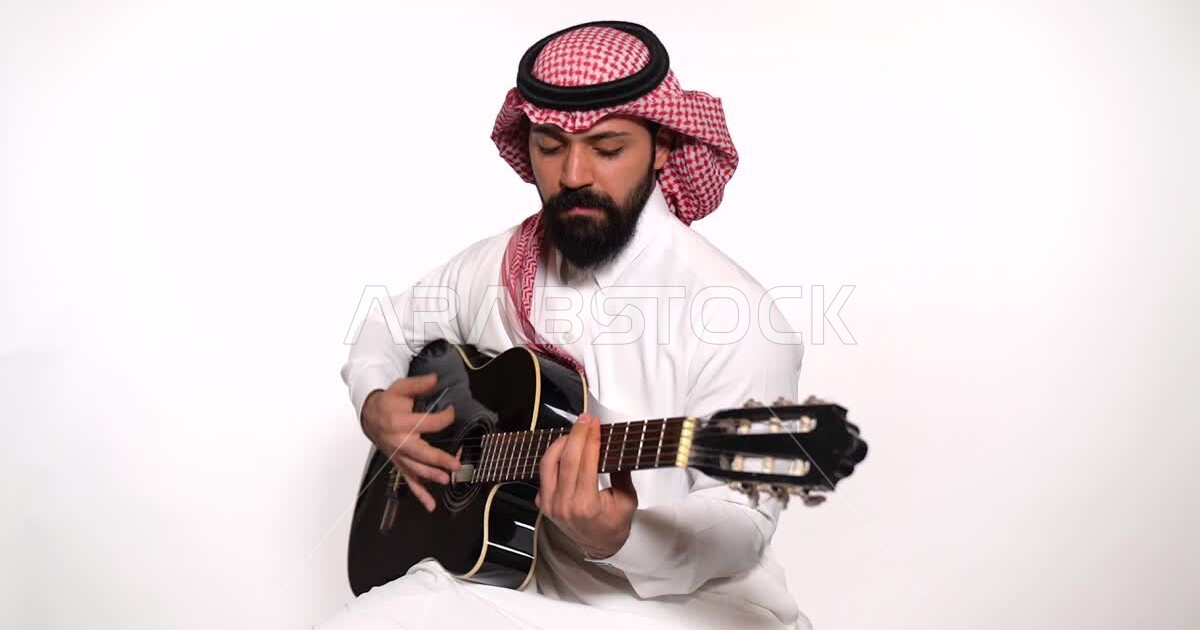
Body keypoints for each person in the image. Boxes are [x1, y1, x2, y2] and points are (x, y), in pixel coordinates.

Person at [322, 20, 810, 630]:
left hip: (693, 611)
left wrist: (620, 535)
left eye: (607, 149)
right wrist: (373, 399)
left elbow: (742, 522)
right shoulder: (504, 264)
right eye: (550, 147)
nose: (574, 174)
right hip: (523, 592)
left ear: (661, 145)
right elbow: (386, 324)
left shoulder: (737, 315)